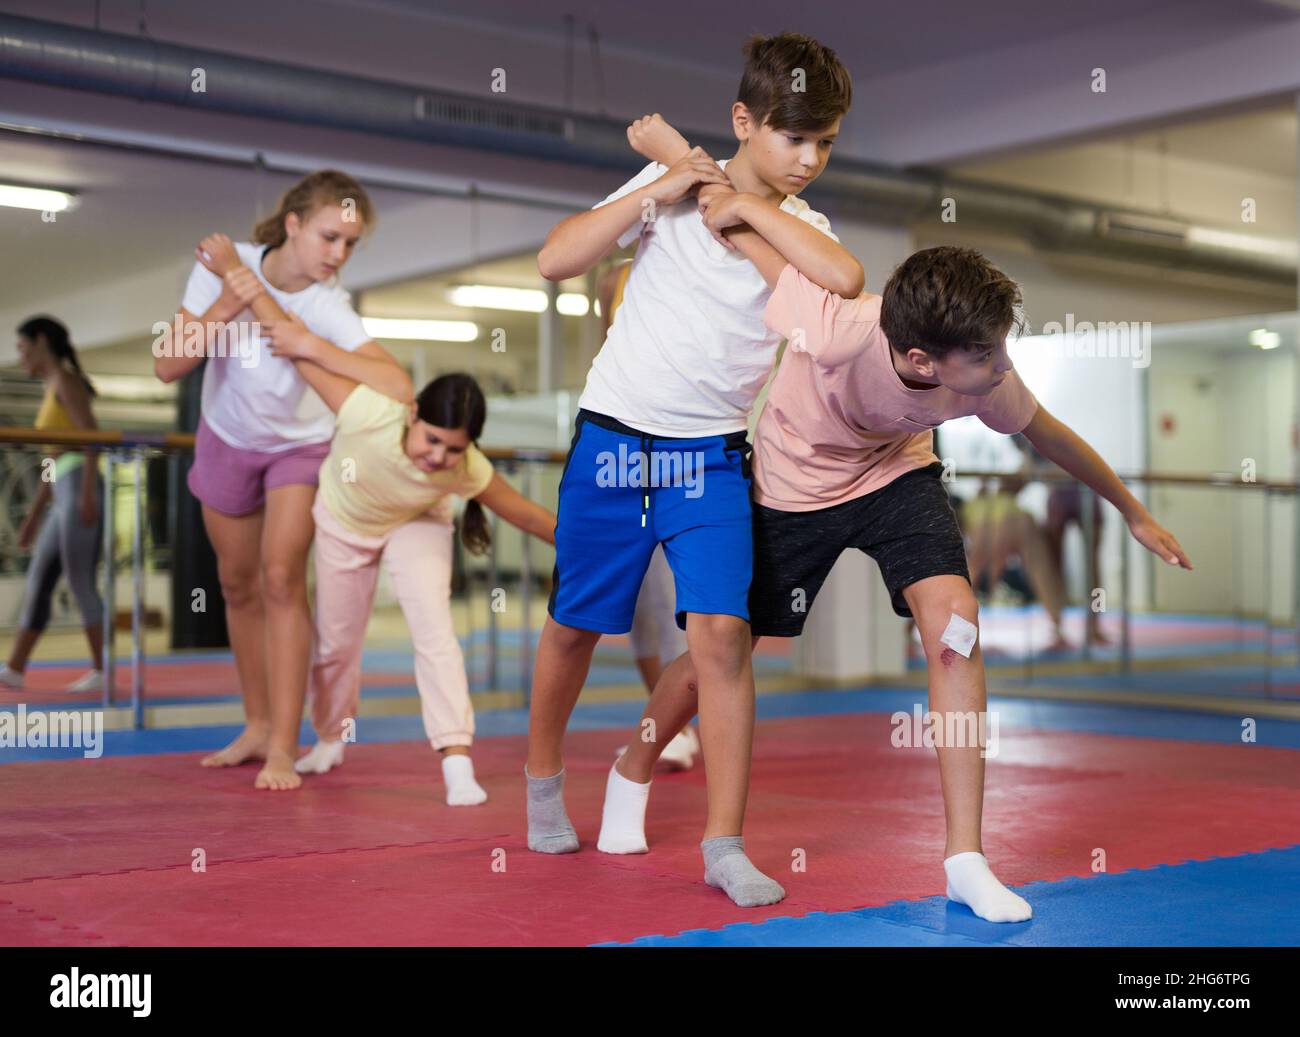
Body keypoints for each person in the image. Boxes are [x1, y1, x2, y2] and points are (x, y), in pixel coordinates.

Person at [605, 240, 1192, 923]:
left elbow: (1051, 436)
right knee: (725, 650)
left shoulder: (986, 377)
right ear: (921, 360)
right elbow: (773, 261)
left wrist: (1133, 511)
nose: (1004, 366)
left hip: (895, 476)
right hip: (793, 485)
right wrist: (728, 206)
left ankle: (965, 860)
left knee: (956, 625)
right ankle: (633, 766)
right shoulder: (837, 329)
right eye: (987, 356)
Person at [528, 32, 861, 910]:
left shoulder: (805, 227)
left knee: (722, 635)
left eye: (825, 142)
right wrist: (667, 181)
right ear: (744, 120)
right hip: (614, 439)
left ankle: (724, 843)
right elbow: (556, 259)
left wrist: (736, 204)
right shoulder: (666, 191)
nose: (809, 158)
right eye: (793, 136)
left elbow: (843, 280)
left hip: (709, 455)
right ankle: (541, 780)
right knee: (575, 625)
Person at [154, 170, 409, 791]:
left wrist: (311, 345)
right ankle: (257, 724)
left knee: (280, 578)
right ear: (292, 224)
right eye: (329, 237)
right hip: (227, 436)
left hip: (299, 447)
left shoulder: (329, 304)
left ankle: (284, 747)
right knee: (236, 585)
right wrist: (228, 300)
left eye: (350, 244)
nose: (338, 254)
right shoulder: (227, 264)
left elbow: (397, 384)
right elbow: (168, 364)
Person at [278, 358, 556, 805]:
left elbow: (526, 515)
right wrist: (287, 332)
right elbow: (308, 361)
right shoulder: (367, 412)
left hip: (417, 519)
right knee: (336, 643)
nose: (439, 457)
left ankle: (457, 761)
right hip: (346, 521)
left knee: (435, 632)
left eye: (454, 449)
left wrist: (598, 552)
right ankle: (331, 737)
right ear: (412, 415)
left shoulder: (467, 468)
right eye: (432, 440)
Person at [596, 260, 697, 770]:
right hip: (625, 457)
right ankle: (664, 724)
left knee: (669, 604)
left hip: (678, 456)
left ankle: (679, 726)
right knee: (640, 608)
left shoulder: (689, 274)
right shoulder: (612, 282)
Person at [1, 317, 105, 693]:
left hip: (78, 487)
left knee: (80, 582)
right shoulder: (50, 389)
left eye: (22, 347)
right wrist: (33, 515)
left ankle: (103, 669)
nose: (20, 356)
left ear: (41, 341)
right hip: (61, 490)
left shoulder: (65, 381)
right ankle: (14, 668)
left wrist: (88, 493)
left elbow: (93, 438)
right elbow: (51, 459)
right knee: (39, 579)